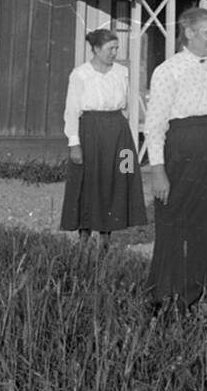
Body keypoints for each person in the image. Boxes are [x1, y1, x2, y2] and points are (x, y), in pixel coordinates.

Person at [144, 7, 207, 308]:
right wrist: (158, 171)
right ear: (188, 32)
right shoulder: (168, 70)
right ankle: (173, 296)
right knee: (179, 222)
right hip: (182, 154)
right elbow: (155, 125)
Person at [60, 28, 147, 240]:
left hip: (119, 132)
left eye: (116, 48)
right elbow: (71, 110)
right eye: (110, 49)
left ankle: (107, 237)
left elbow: (127, 106)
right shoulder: (80, 74)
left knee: (121, 174)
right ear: (96, 49)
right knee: (89, 181)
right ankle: (84, 237)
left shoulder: (121, 72)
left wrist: (127, 136)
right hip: (91, 131)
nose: (114, 53)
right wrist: (74, 143)